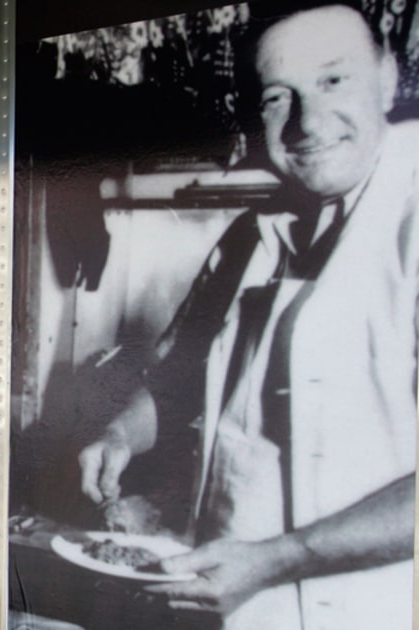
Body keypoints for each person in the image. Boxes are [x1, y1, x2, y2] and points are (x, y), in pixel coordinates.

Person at [76, 5, 416, 629]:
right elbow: (179, 378)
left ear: (389, 76)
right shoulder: (247, 236)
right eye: (279, 98)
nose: (307, 123)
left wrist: (280, 558)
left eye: (333, 80)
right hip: (231, 600)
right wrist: (123, 433)